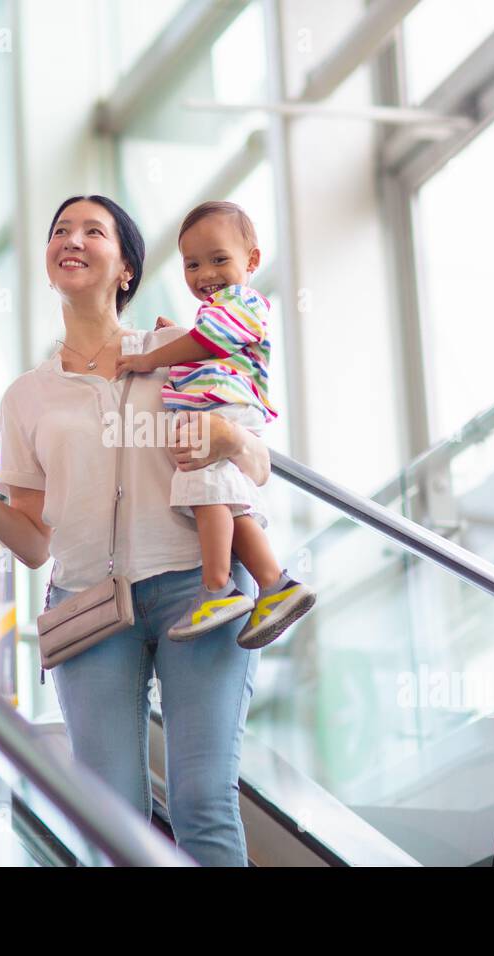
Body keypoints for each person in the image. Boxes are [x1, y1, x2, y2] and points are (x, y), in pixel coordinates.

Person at [0, 194, 271, 866]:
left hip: (197, 587)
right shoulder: (27, 397)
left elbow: (258, 462)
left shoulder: (176, 348)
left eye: (93, 231)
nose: (72, 238)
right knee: (113, 823)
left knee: (202, 800)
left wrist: (225, 433)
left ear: (126, 267)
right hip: (88, 608)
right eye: (59, 229)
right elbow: (35, 541)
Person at [116, 201, 315, 648]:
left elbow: (208, 342)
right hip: (221, 406)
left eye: (219, 259)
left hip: (224, 411)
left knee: (205, 492)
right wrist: (177, 336)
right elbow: (208, 342)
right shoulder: (225, 306)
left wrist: (152, 356)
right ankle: (275, 585)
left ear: (253, 260)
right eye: (192, 264)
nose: (205, 273)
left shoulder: (242, 301)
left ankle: (216, 588)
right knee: (227, 500)